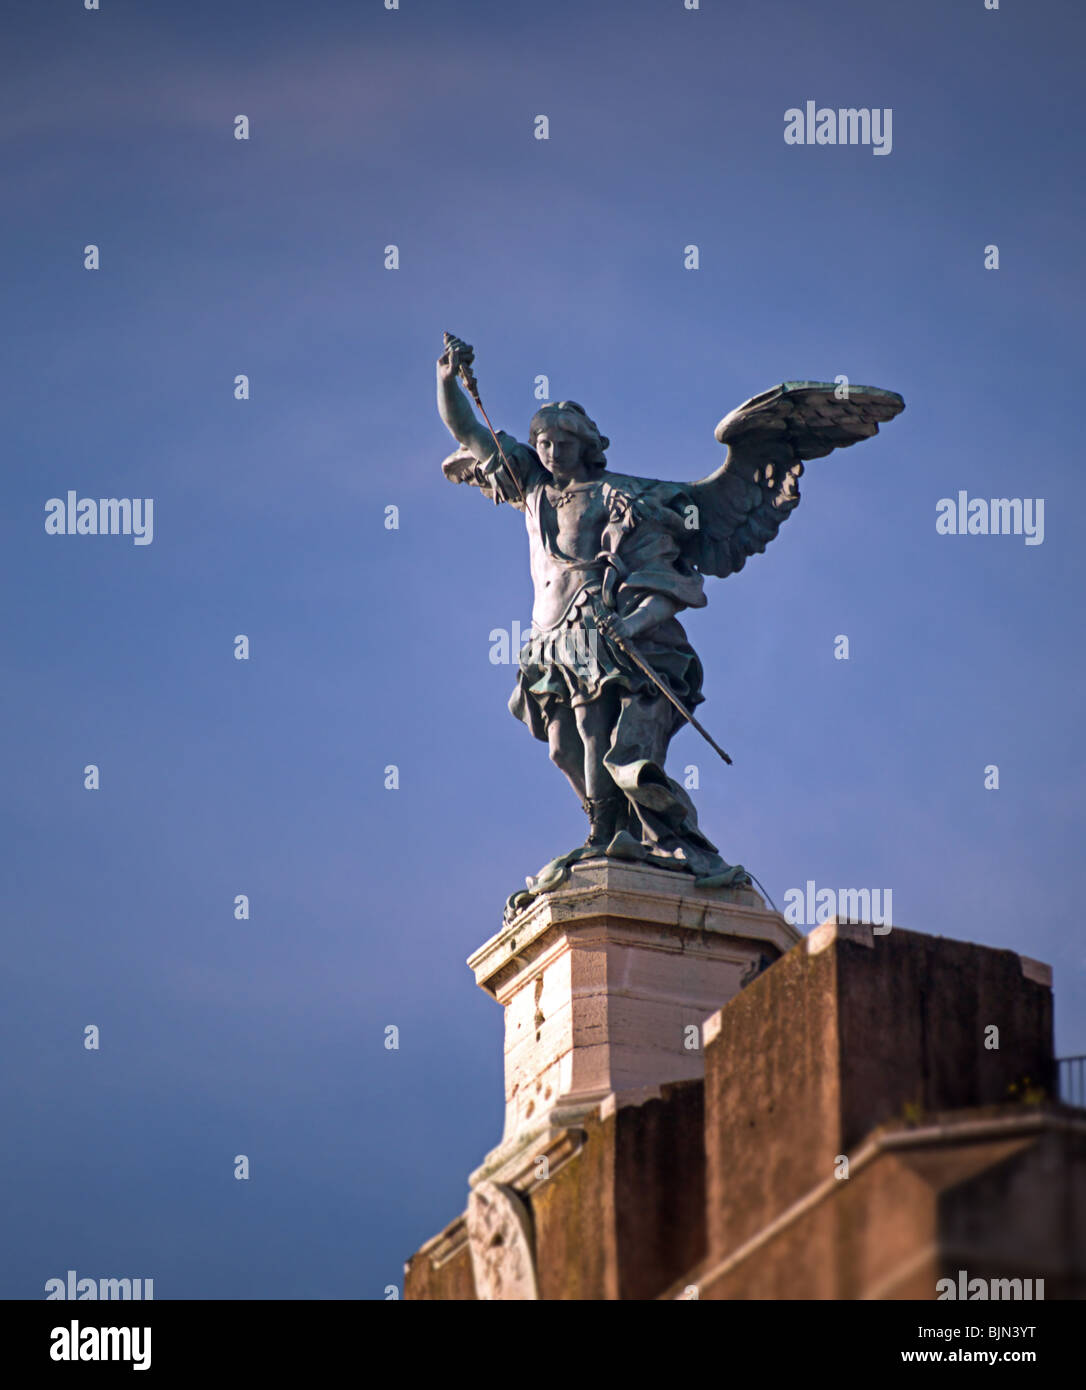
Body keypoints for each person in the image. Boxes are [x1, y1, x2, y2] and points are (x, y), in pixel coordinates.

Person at [437, 334, 750, 899]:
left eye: (563, 442)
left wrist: (632, 623)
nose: (552, 452)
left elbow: (663, 577)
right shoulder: (531, 487)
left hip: (591, 624)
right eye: (543, 442)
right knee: (562, 746)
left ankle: (606, 833)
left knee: (593, 731)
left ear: (585, 447)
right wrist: (447, 379)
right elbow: (469, 431)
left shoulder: (613, 496)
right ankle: (614, 827)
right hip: (547, 636)